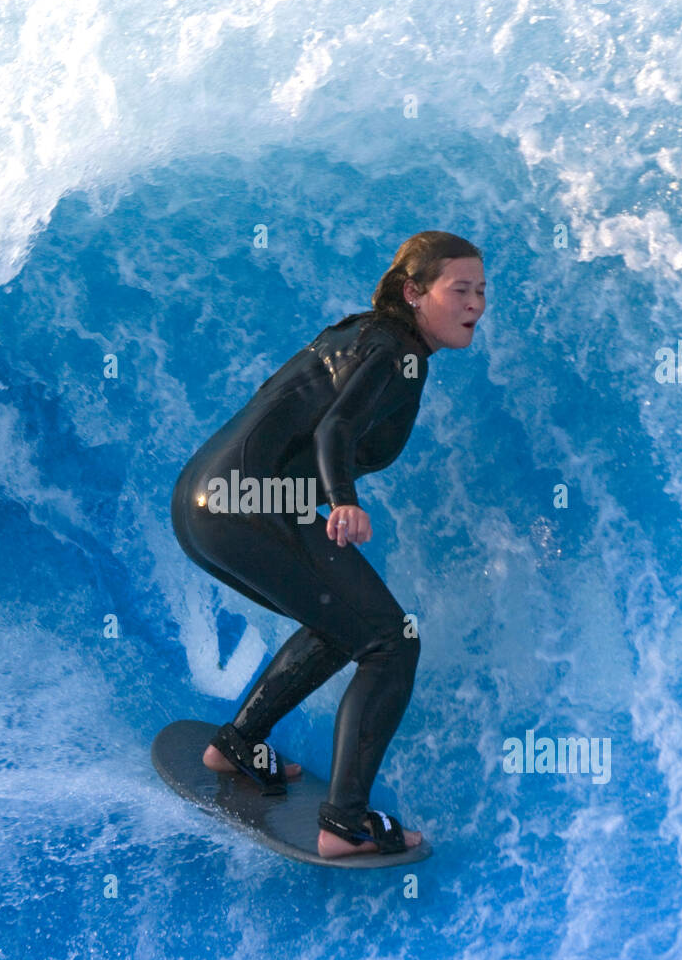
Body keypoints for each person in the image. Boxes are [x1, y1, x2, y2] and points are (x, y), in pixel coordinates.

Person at [170, 231, 486, 858]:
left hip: (204, 504)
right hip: (247, 506)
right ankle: (346, 824)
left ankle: (236, 745)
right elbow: (337, 425)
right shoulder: (397, 350)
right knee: (392, 642)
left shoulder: (367, 335)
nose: (476, 303)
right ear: (413, 294)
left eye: (482, 291)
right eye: (460, 289)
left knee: (342, 623)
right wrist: (344, 500)